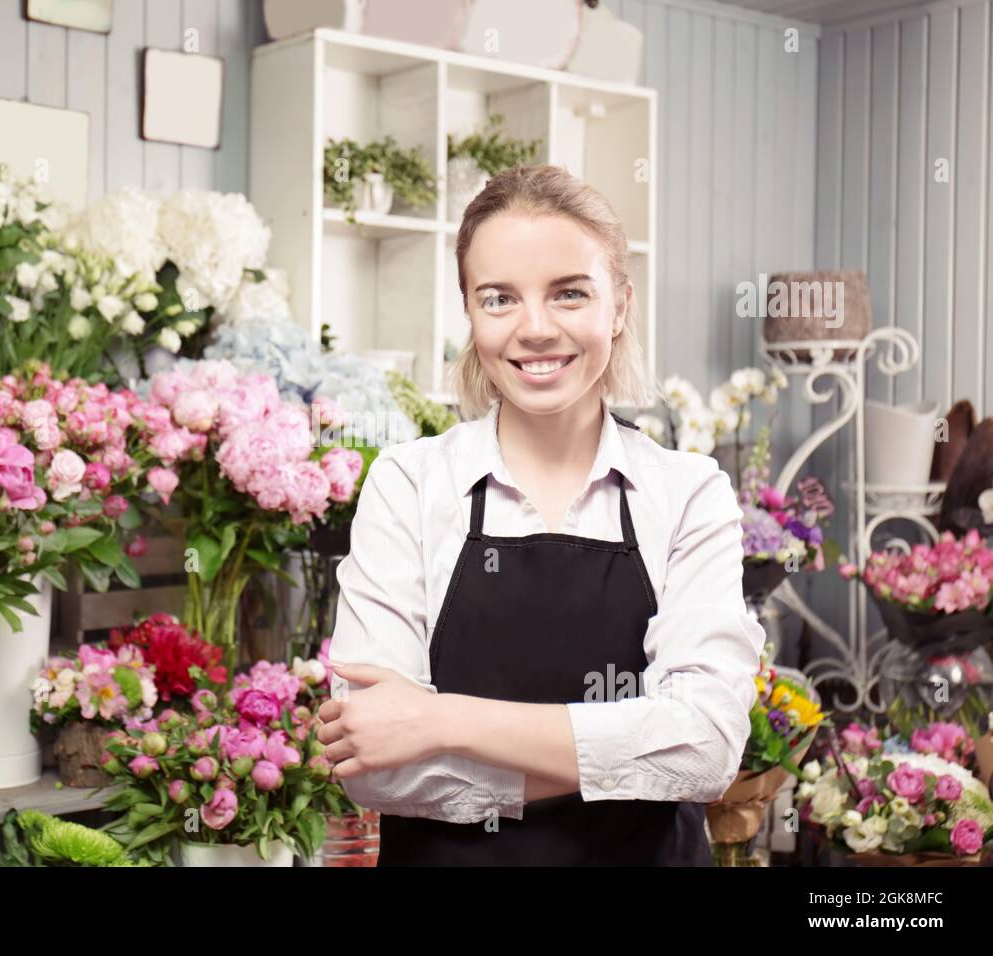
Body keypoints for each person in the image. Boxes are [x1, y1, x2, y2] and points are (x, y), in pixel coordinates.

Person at [316, 164, 765, 866]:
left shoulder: (687, 493)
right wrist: (629, 754)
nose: (534, 329)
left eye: (569, 294)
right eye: (499, 298)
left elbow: (706, 749)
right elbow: (377, 766)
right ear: (468, 312)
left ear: (618, 306)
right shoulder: (409, 486)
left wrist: (440, 720)